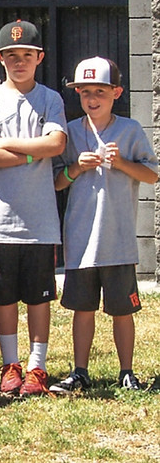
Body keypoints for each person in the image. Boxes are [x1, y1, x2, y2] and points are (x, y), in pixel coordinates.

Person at [49, 57, 158, 393]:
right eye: (84, 93)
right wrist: (77, 168)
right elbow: (56, 182)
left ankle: (127, 372)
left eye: (100, 91)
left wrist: (122, 162)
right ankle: (80, 370)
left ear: (117, 92)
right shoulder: (69, 131)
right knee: (83, 309)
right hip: (81, 238)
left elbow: (152, 174)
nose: (92, 99)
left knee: (121, 310)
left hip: (118, 239)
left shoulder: (129, 130)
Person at [0, 20, 67, 396]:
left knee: (39, 297)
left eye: (27, 55)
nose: (19, 62)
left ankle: (36, 367)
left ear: (39, 58)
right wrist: (30, 154)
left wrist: (8, 144)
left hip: (41, 220)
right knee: (5, 297)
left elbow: (56, 144)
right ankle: (10, 364)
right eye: (11, 56)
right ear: (0, 59)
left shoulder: (50, 99)